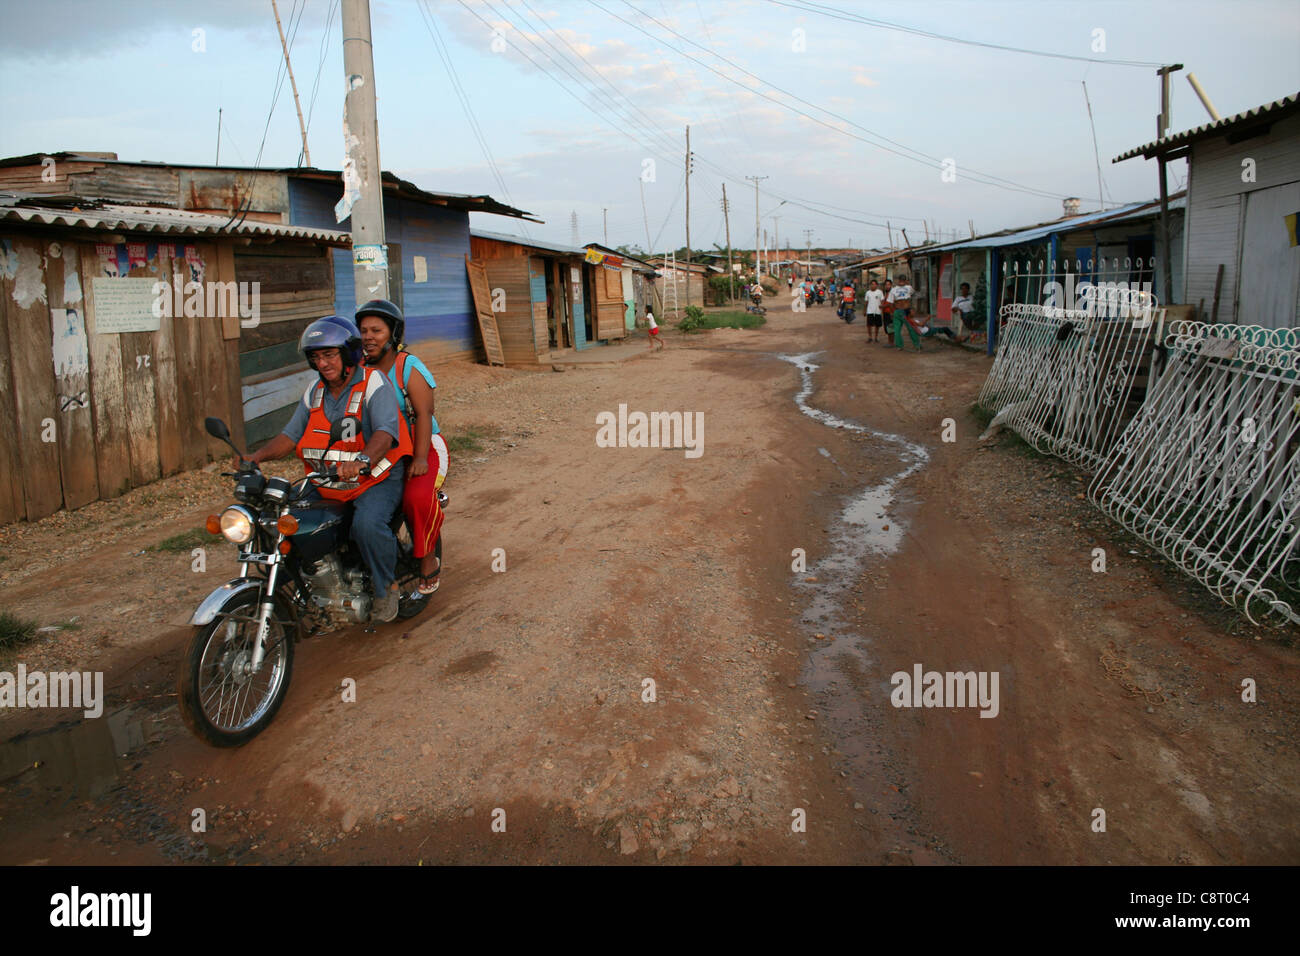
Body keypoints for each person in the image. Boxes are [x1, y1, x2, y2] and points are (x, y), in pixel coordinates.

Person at [245, 315, 413, 622]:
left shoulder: (375, 383)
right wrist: (257, 456)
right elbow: (289, 436)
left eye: (329, 355)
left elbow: (385, 433)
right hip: (328, 479)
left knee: (366, 525)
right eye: (316, 357)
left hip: (377, 477)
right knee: (283, 517)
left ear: (347, 354)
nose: (322, 363)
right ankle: (302, 580)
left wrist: (362, 460)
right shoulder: (314, 392)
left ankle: (385, 587)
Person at [357, 299, 447, 595]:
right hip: (382, 451)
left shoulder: (407, 365)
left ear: (393, 334)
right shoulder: (357, 369)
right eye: (364, 330)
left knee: (416, 497)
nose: (368, 336)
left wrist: (420, 457)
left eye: (376, 330)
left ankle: (427, 557)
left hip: (423, 445)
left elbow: (424, 413)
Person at [888, 274, 920, 352]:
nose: (902, 282)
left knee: (911, 328)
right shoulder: (894, 289)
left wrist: (913, 308)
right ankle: (900, 345)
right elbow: (890, 303)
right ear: (898, 280)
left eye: (903, 280)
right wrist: (893, 312)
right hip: (898, 310)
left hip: (906, 310)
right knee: (897, 330)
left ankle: (917, 345)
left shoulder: (908, 287)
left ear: (905, 281)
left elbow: (914, 295)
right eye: (901, 280)